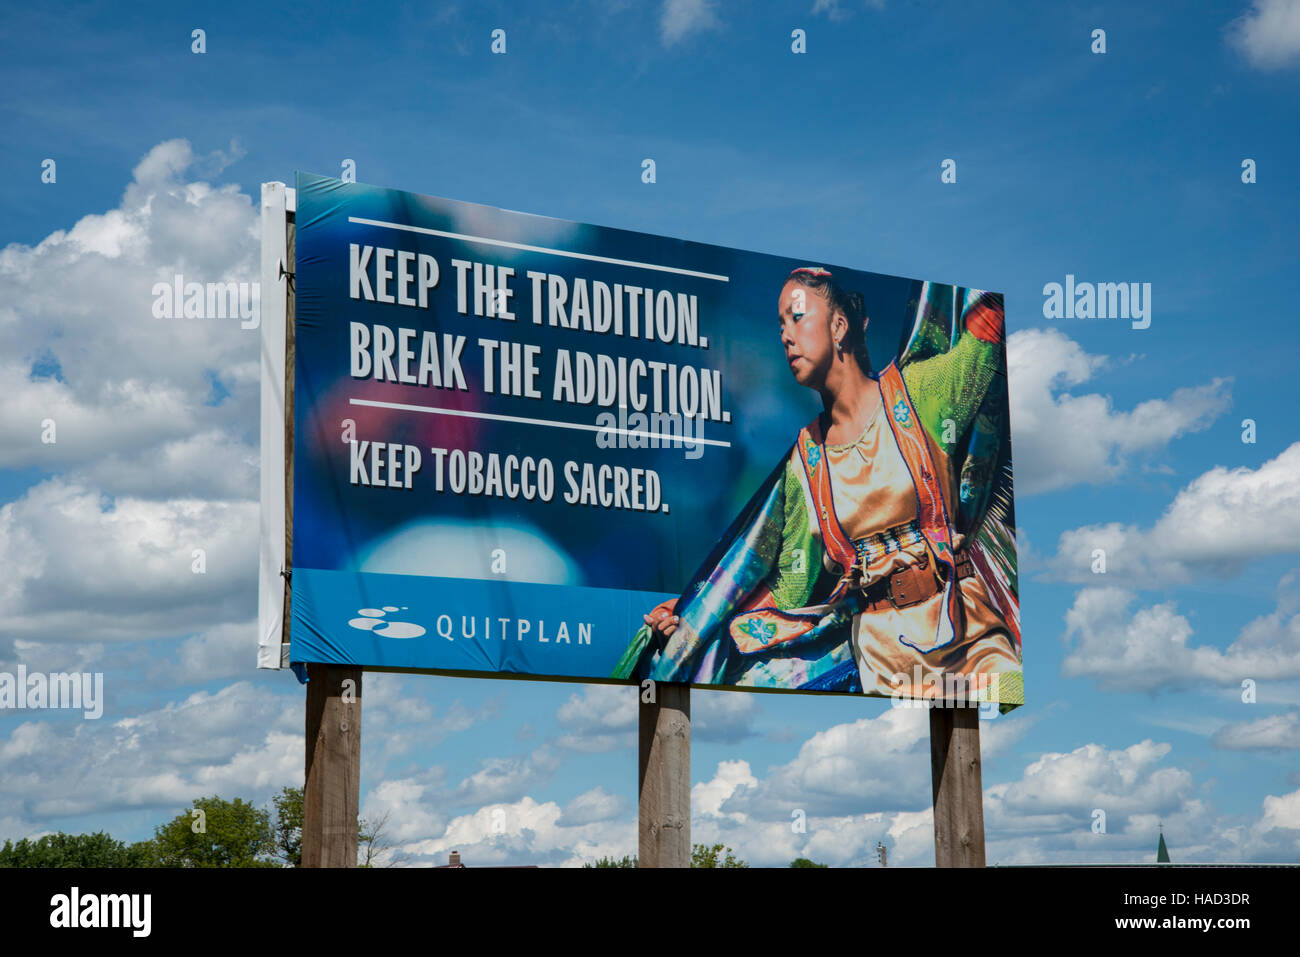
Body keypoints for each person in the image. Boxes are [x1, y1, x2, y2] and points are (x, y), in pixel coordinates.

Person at [612, 267, 1022, 707]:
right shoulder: (804, 461)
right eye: (781, 325)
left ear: (840, 326)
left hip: (968, 633)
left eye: (798, 317)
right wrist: (696, 614)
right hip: (881, 661)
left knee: (1019, 731)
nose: (786, 336)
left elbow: (985, 336)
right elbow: (791, 586)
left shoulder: (924, 393)